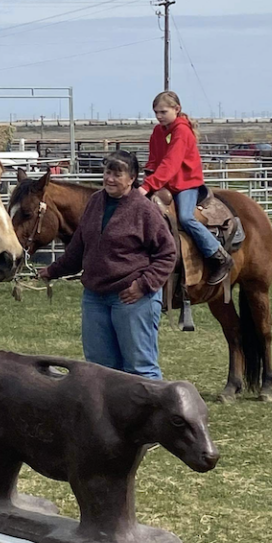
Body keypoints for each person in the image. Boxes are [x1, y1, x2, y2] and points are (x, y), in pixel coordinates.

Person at [38, 151, 175, 379]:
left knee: (139, 366)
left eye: (117, 174)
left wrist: (144, 285)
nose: (110, 179)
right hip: (95, 296)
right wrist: (52, 271)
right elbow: (79, 247)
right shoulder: (95, 202)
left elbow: (167, 253)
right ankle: (110, 414)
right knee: (100, 367)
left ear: (131, 178)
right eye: (107, 172)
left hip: (131, 296)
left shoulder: (145, 210)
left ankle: (148, 412)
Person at [138, 91, 233, 285]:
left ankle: (218, 255)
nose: (158, 116)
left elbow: (171, 164)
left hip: (186, 184)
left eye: (163, 111)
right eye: (156, 112)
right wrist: (147, 175)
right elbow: (155, 159)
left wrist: (148, 185)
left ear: (177, 109)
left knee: (185, 217)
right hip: (165, 183)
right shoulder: (158, 132)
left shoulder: (182, 131)